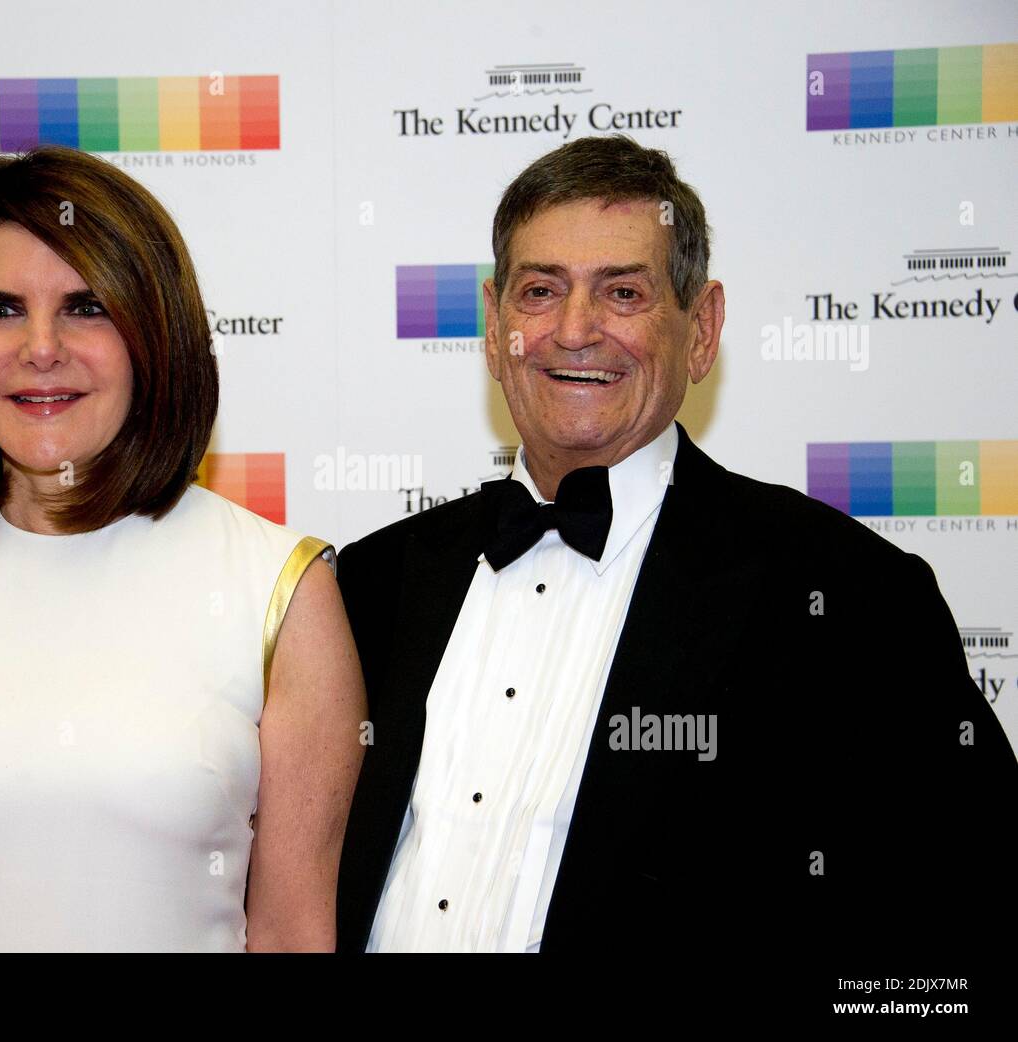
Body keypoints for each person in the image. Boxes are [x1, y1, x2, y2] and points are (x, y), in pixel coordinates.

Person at [334, 134, 1016, 955]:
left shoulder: (847, 599)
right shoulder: (369, 585)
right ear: (494, 325)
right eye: (541, 290)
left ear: (702, 329)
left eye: (623, 293)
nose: (574, 330)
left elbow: (968, 919)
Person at [0, 145, 366, 952]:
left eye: (86, 306)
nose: (40, 347)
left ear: (153, 338)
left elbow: (294, 935)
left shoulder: (280, 589)